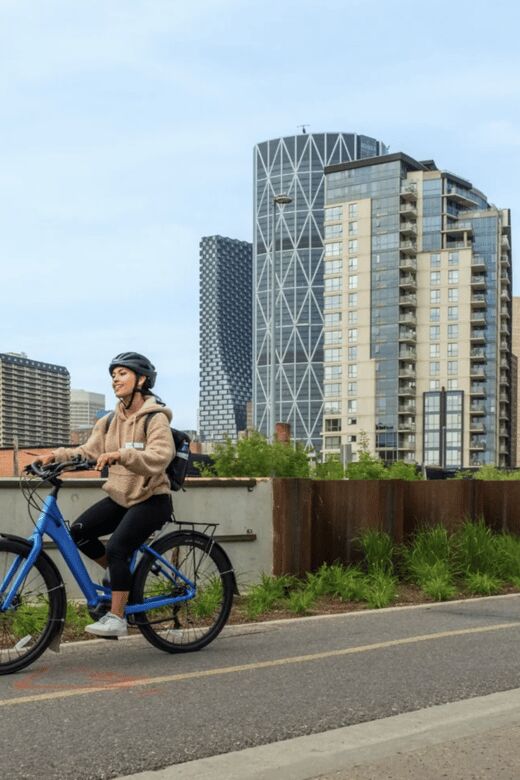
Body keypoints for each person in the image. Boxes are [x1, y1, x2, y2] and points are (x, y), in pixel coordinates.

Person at [35, 352, 175, 638]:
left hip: (151, 498)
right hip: (121, 497)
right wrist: (54, 456)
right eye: (113, 374)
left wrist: (122, 455)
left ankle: (117, 617)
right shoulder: (110, 421)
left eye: (123, 373)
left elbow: (161, 456)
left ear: (142, 379)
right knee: (80, 532)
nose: (115, 379)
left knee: (116, 548)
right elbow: (88, 451)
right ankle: (120, 579)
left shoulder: (155, 418)